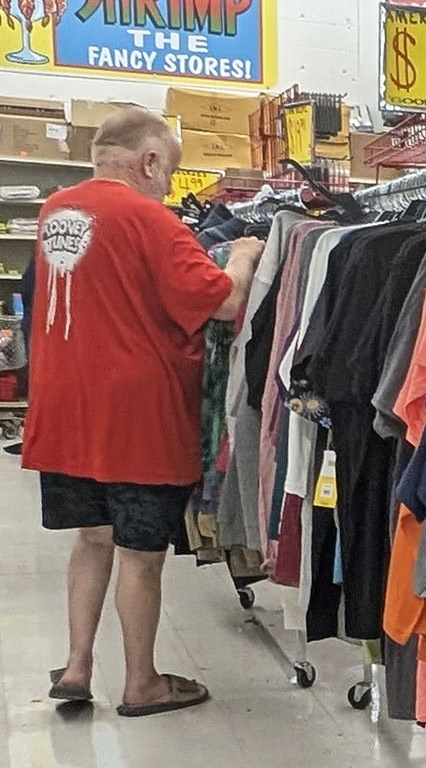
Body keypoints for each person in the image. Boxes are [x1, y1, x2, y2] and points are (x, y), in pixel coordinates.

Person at [22, 106, 264, 715]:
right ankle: (141, 683)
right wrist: (243, 253)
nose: (170, 187)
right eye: (171, 172)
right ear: (149, 161)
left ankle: (77, 666)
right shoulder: (149, 220)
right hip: (137, 414)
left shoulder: (56, 211)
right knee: (141, 554)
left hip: (66, 407)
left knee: (91, 539)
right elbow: (226, 303)